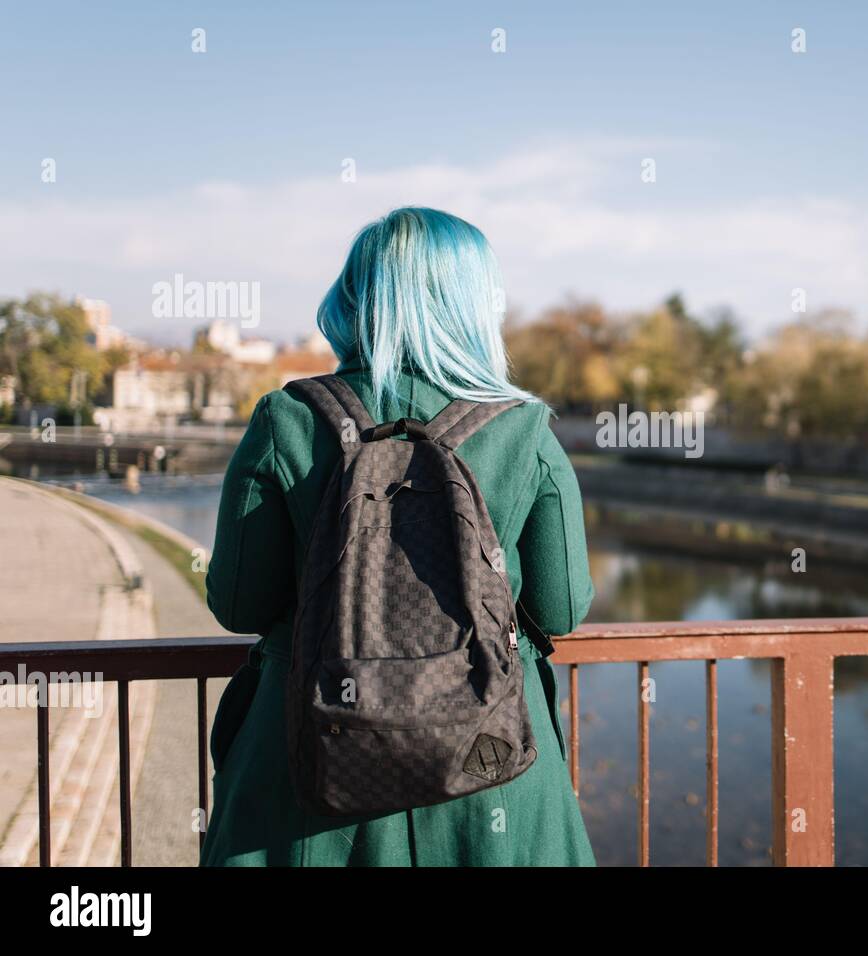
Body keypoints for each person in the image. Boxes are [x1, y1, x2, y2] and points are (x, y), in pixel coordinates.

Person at [199, 207, 596, 866]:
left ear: (355, 301)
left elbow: (237, 605)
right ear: (476, 306)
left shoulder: (288, 418)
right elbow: (561, 609)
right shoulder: (524, 430)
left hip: (312, 775)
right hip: (487, 778)